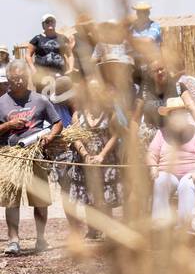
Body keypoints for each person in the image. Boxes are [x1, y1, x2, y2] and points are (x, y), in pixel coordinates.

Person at [0, 61, 63, 254]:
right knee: (12, 199)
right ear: (8, 78)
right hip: (12, 155)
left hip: (36, 154)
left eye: (22, 77)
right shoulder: (1, 101)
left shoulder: (40, 100)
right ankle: (13, 240)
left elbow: (57, 122)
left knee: (40, 199)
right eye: (14, 78)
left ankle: (41, 239)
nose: (18, 81)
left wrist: (50, 136)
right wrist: (9, 125)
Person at [67, 78, 123, 241]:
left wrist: (101, 155)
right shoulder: (78, 114)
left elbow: (115, 135)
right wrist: (85, 155)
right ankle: (92, 229)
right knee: (87, 195)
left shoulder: (110, 112)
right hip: (84, 159)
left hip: (104, 159)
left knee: (105, 196)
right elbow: (75, 136)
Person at [149, 97, 195, 227]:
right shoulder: (162, 133)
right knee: (160, 181)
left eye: (180, 113)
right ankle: (160, 225)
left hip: (192, 173)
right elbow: (151, 154)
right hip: (167, 173)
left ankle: (186, 227)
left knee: (186, 184)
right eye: (174, 114)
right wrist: (153, 167)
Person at [27, 13, 70, 88]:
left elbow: (70, 55)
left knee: (61, 96)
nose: (50, 23)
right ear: (43, 25)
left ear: (55, 23)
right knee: (43, 97)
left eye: (52, 21)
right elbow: (28, 55)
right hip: (42, 75)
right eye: (47, 22)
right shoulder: (37, 39)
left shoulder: (63, 38)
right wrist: (33, 69)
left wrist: (71, 68)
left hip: (60, 73)